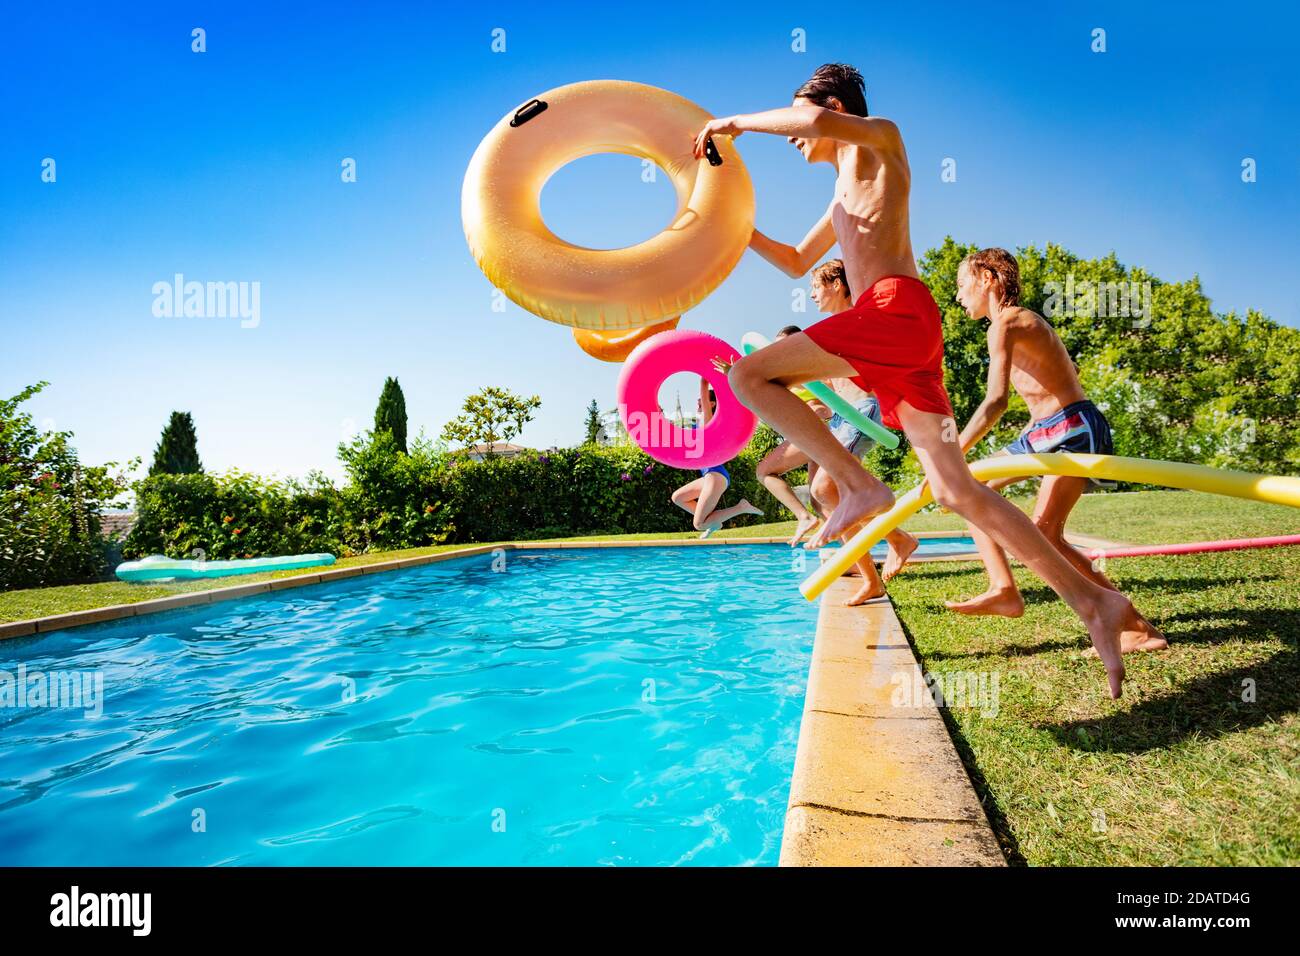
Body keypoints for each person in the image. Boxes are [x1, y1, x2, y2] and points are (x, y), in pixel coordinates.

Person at [693, 62, 1159, 696]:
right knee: (956, 490)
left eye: (802, 118)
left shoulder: (882, 141)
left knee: (749, 375)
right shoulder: (837, 201)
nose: (797, 138)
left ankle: (858, 486)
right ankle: (1095, 603)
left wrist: (735, 122)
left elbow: (810, 122)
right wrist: (725, 223)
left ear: (833, 105)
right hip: (903, 337)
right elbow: (793, 261)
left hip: (892, 310)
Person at [941, 248, 1167, 650]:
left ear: (988, 278)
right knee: (968, 491)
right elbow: (1047, 385)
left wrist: (951, 451)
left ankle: (1136, 627)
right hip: (1044, 430)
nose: (958, 296)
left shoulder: (1008, 321)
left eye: (961, 284)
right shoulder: (1018, 323)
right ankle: (1003, 587)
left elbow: (996, 401)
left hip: (1071, 426)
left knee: (1044, 530)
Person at [669, 377, 762, 536]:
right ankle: (712, 522)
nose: (698, 401)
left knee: (698, 524)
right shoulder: (696, 426)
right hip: (708, 476)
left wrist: (703, 378)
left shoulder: (708, 422)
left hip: (716, 475)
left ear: (711, 404)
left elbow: (704, 396)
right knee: (678, 497)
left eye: (702, 400)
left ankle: (740, 508)